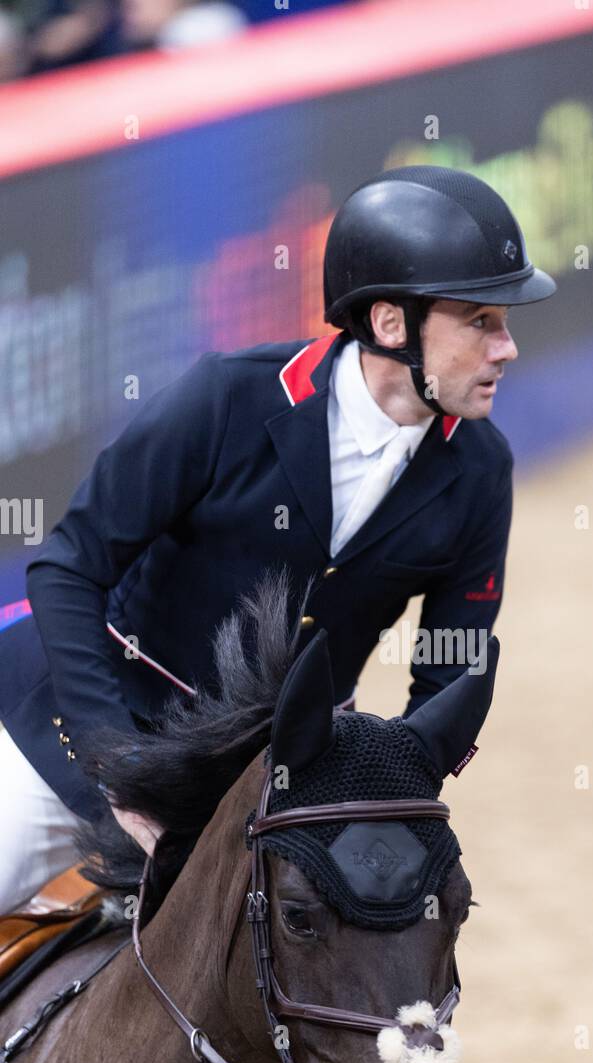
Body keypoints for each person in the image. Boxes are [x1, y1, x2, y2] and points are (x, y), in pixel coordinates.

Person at [0, 165, 556, 914]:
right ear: (392, 325)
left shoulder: (480, 472)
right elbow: (68, 568)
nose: (506, 348)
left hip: (264, 785)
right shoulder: (226, 398)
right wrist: (118, 765)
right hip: (77, 735)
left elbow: (447, 674)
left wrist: (388, 786)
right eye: (481, 321)